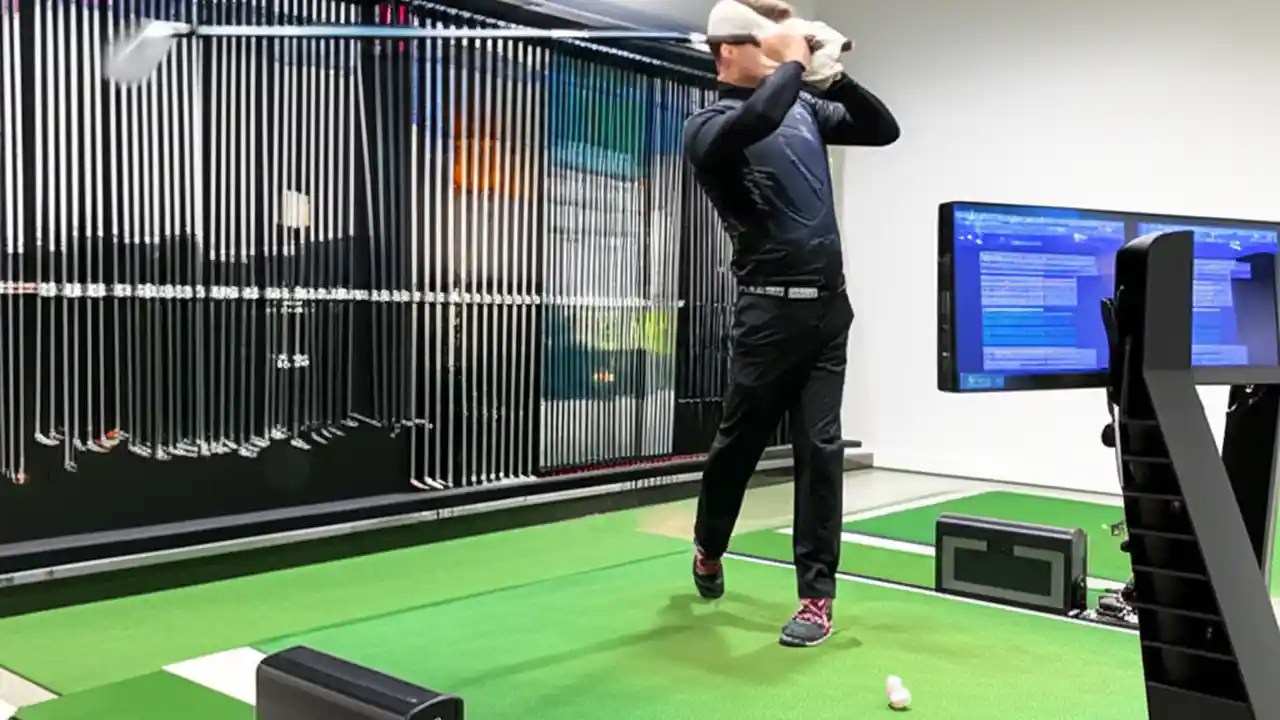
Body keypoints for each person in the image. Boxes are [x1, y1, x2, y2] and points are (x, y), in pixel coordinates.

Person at [684, 0, 900, 648]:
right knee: (738, 448)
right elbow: (761, 114)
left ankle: (816, 599)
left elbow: (883, 129)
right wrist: (797, 59)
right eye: (764, 42)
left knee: (821, 449)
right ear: (727, 52)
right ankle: (708, 545)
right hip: (768, 314)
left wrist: (834, 79)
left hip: (828, 312)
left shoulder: (803, 106)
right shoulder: (709, 126)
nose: (778, 53)